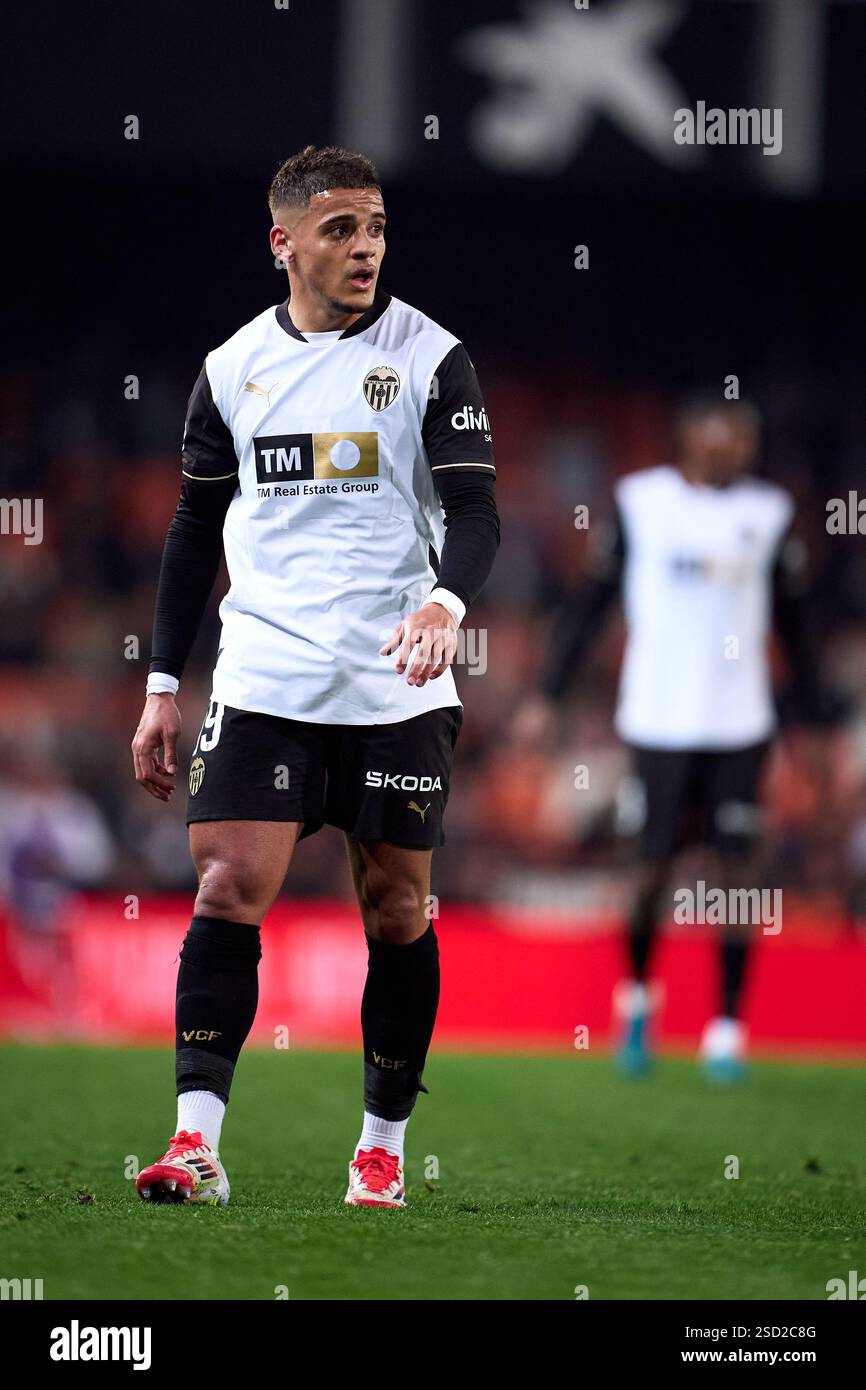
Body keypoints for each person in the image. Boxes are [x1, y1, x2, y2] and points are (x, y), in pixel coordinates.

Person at [131, 145, 500, 1206]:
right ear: (282, 241)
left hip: (395, 683)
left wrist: (443, 604)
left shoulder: (430, 358)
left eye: (376, 227)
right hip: (266, 679)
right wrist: (163, 682)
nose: (365, 247)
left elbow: (474, 509)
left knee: (396, 912)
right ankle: (194, 1141)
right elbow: (196, 524)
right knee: (222, 887)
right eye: (339, 229)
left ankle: (380, 1142)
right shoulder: (231, 367)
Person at [516, 396, 831, 1081]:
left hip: (739, 723)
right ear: (689, 438)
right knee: (650, 869)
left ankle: (727, 1027)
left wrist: (814, 720)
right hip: (656, 719)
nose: (734, 449)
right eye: (722, 436)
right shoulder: (641, 505)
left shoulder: (768, 516)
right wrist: (550, 693)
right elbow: (590, 604)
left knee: (738, 876)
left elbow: (798, 627)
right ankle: (636, 1002)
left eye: (745, 438)